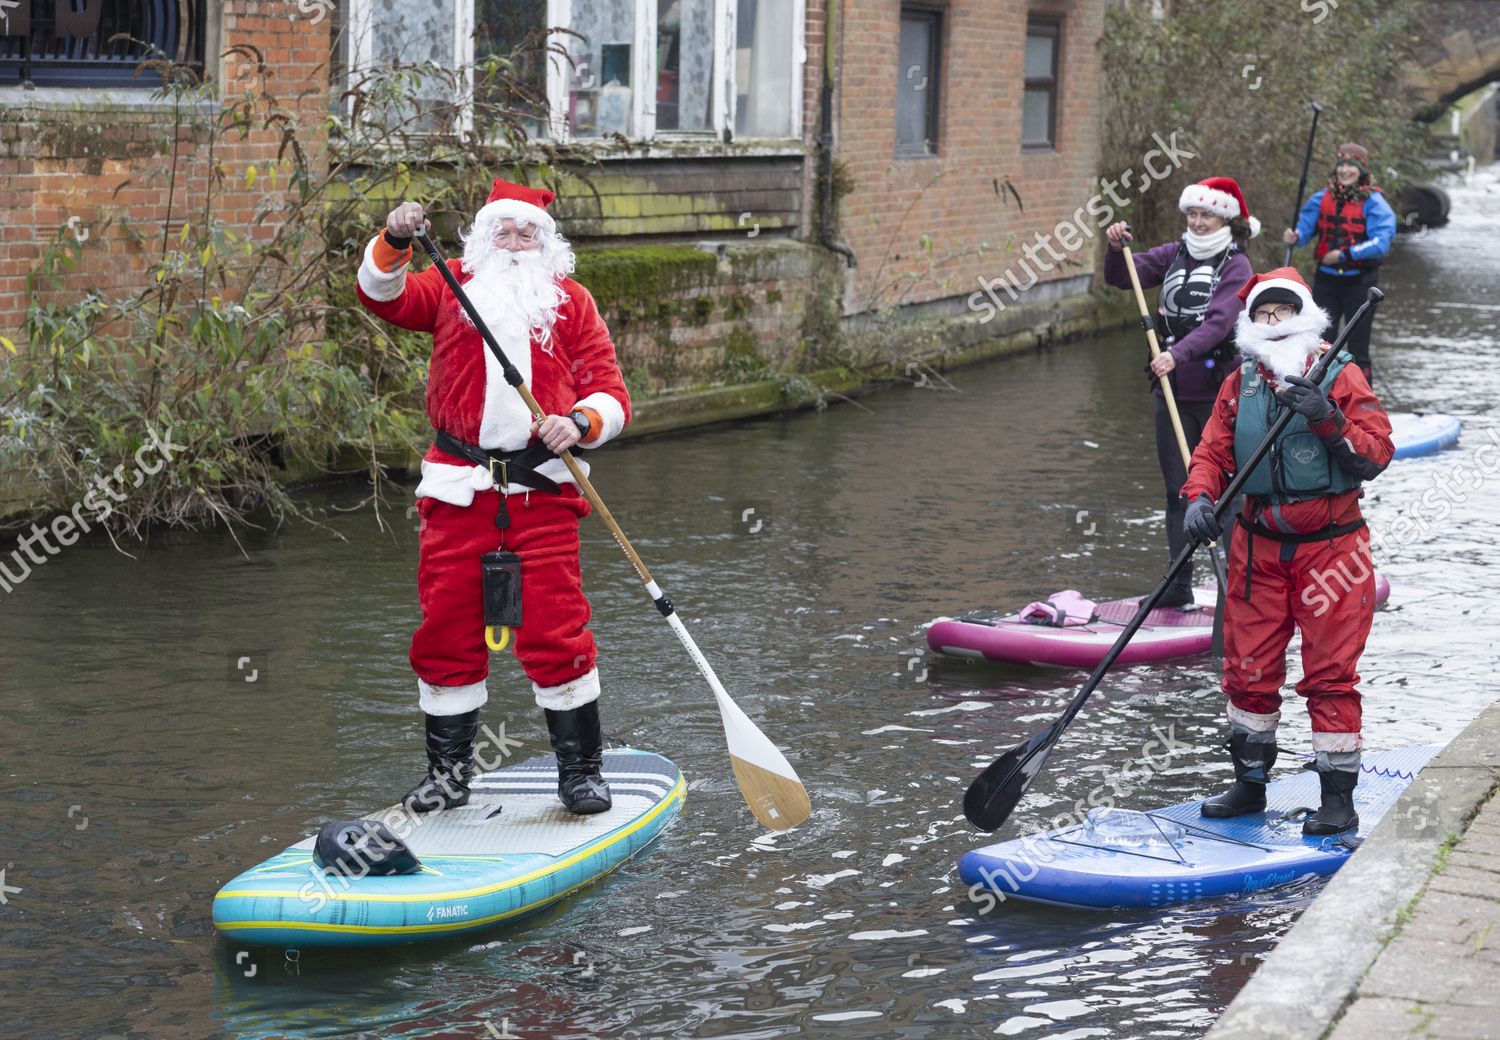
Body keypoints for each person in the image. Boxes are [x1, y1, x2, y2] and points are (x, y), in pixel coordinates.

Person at [355, 178, 631, 816]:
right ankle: (449, 779)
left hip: (544, 496)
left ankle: (580, 774)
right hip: (458, 492)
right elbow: (381, 294)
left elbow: (610, 390)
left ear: (545, 240)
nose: (513, 243)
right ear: (484, 237)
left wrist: (580, 424)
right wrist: (396, 239)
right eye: (502, 231)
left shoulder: (571, 302)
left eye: (525, 232)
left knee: (557, 631)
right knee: (445, 631)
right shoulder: (452, 286)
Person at [1180, 267, 1393, 836]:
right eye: (1262, 315)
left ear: (1303, 317)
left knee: (1329, 676)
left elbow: (1376, 454)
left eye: (1283, 313)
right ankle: (1250, 785)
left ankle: (1337, 798)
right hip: (1257, 550)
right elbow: (1211, 453)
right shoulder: (1239, 383)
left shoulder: (1341, 375)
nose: (1273, 324)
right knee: (1247, 672)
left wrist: (1327, 418)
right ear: (1250, 325)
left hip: (1332, 551)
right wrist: (1199, 499)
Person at [1104, 177, 1257, 608]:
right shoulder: (1172, 255)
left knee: (1223, 491)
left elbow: (1221, 322)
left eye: (1206, 214)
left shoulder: (1236, 266)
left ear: (1224, 217)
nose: (1198, 221)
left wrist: (1178, 355)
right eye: (1193, 214)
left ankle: (1236, 584)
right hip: (1171, 393)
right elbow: (1123, 278)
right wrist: (1115, 249)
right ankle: (1177, 584)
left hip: (1218, 396)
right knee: (1178, 491)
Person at [1282, 143, 1396, 379]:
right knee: (1321, 346)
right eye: (1341, 165)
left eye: (1351, 166)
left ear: (1361, 171)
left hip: (1361, 286)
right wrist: (1295, 236)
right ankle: (1318, 399)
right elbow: (1304, 231)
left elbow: (1381, 243)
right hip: (1327, 283)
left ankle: (1364, 405)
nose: (1345, 170)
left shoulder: (1375, 203)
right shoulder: (1320, 198)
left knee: (1358, 350)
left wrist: (1344, 255)